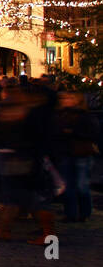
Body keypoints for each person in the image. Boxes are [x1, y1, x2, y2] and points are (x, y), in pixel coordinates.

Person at [0, 87, 53, 244]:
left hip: (22, 158)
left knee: (24, 198)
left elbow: (35, 137)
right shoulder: (30, 114)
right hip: (17, 156)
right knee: (16, 197)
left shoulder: (29, 116)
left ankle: (47, 233)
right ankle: (4, 230)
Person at [51, 90, 98, 223]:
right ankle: (71, 213)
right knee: (68, 185)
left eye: (69, 98)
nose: (65, 100)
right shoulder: (59, 115)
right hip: (66, 152)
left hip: (81, 152)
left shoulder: (84, 116)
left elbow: (92, 132)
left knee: (81, 185)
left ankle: (84, 212)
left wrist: (72, 132)